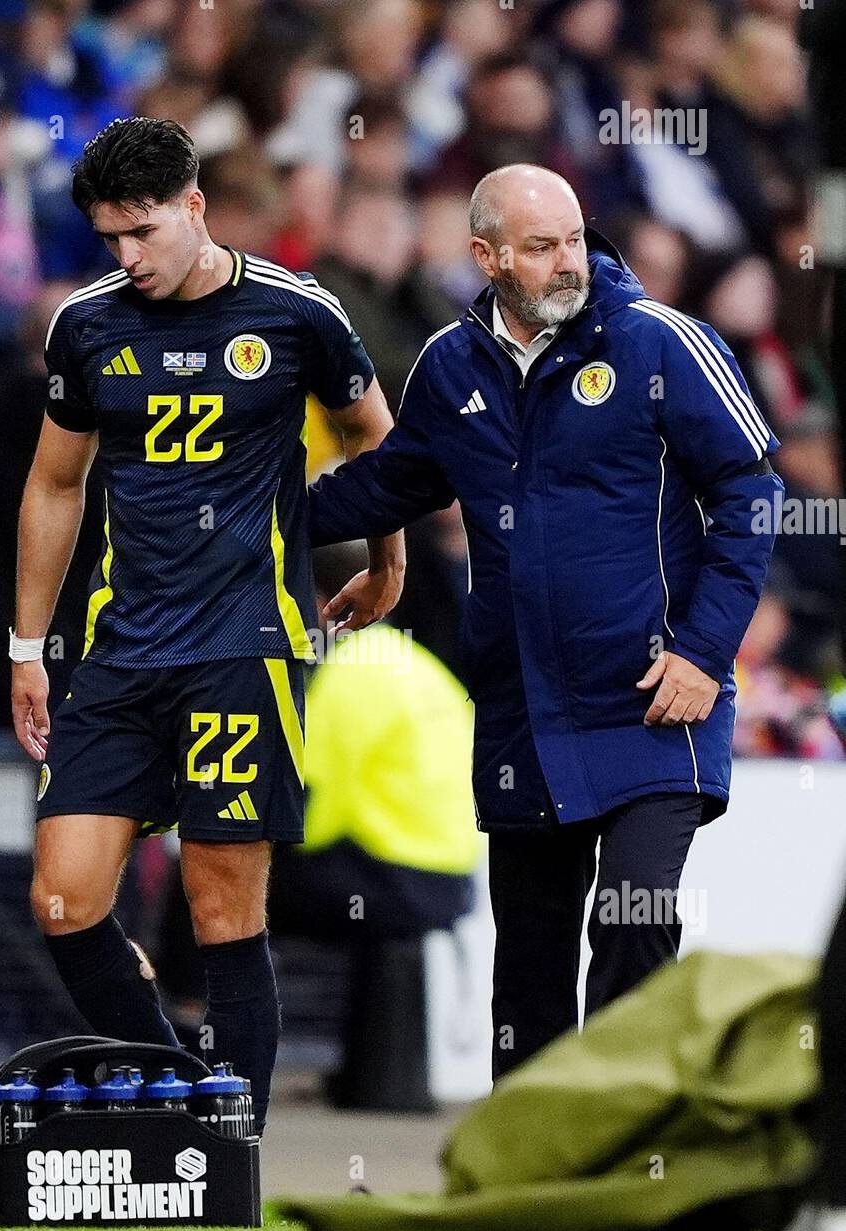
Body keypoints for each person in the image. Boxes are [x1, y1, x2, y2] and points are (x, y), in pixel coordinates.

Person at [308, 163, 784, 1080]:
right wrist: (250, 513)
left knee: (635, 916)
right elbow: (393, 483)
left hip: (655, 698)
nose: (566, 261)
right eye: (538, 247)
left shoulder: (660, 342)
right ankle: (525, 1155)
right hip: (523, 708)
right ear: (484, 257)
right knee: (527, 969)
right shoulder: (450, 365)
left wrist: (701, 653)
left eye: (571, 239)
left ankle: (621, 1135)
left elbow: (750, 492)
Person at [10, 116, 403, 1133]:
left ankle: (228, 1156)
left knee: (223, 909)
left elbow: (374, 435)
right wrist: (26, 647)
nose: (127, 257)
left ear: (195, 206)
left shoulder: (297, 312)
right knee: (63, 901)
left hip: (244, 645)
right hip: (117, 651)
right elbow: (54, 484)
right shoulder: (86, 325)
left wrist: (387, 560)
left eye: (142, 231)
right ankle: (180, 1086)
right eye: (110, 238)